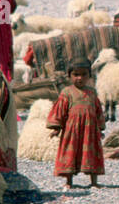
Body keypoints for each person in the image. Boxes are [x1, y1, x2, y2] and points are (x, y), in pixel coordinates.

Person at [45, 58, 105, 189]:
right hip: (72, 131)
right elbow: (59, 111)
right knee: (70, 153)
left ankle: (94, 181)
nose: (80, 78)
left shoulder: (92, 92)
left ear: (89, 75)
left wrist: (100, 128)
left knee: (91, 152)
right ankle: (68, 181)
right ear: (69, 76)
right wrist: (56, 128)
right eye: (76, 74)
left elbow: (98, 110)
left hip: (90, 131)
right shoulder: (67, 92)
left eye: (84, 74)